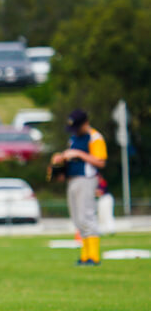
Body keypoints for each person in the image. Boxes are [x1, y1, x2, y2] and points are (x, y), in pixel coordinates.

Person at [51, 109, 107, 266]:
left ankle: (94, 257)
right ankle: (85, 256)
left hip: (86, 180)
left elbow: (101, 162)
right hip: (72, 180)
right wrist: (61, 164)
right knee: (77, 219)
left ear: (85, 123)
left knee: (86, 217)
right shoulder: (73, 138)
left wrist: (79, 154)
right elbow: (70, 160)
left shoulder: (94, 137)